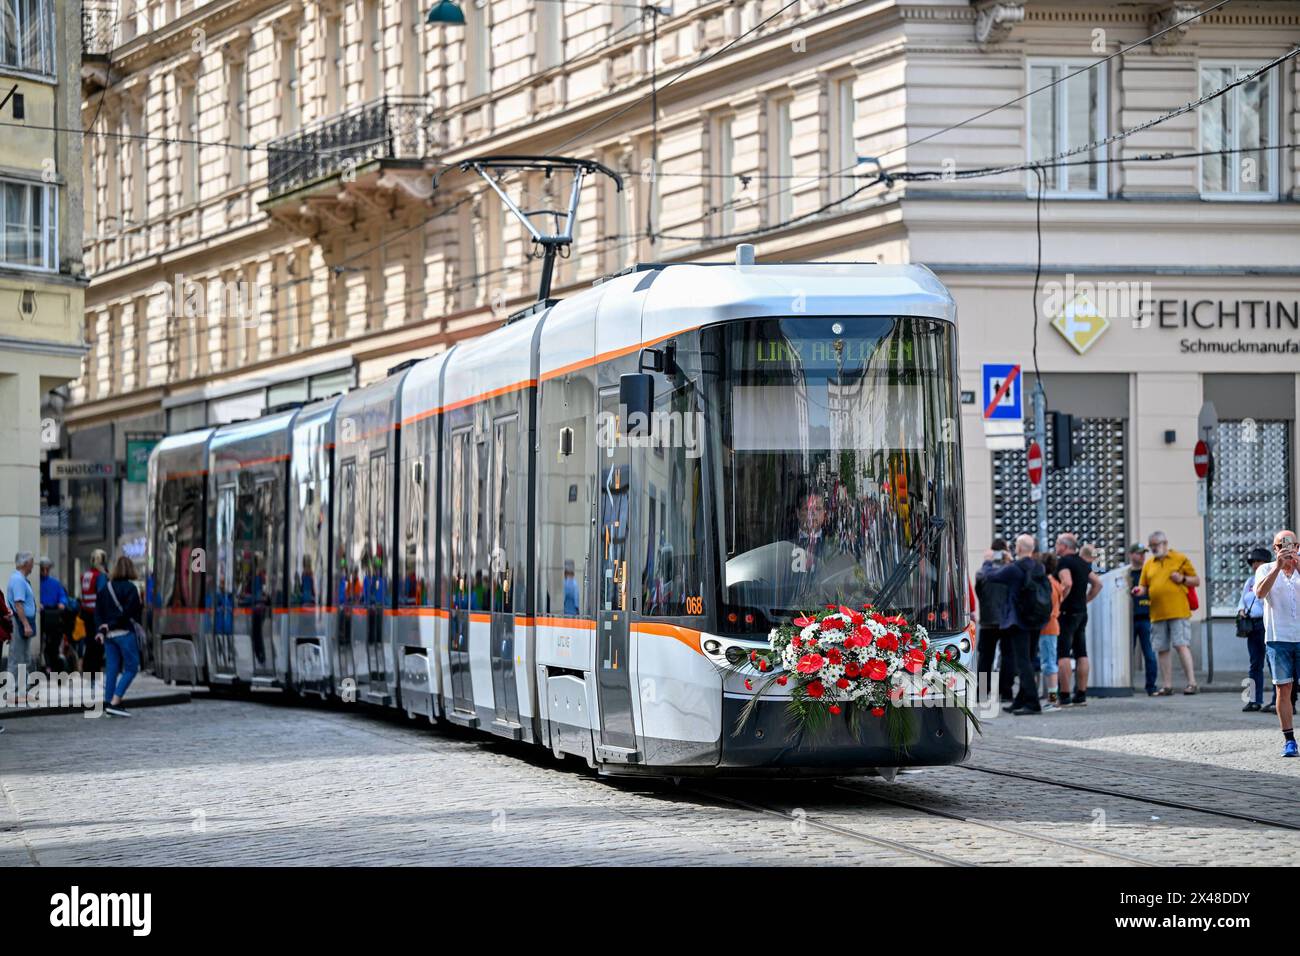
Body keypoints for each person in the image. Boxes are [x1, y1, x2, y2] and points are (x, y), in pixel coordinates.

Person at [979, 533, 1042, 715]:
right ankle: (1019, 699)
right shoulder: (1038, 567)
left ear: (1019, 548)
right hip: (1035, 621)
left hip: (1016, 621)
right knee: (1026, 660)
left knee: (1021, 662)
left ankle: (1032, 702)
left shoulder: (1014, 569)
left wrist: (987, 561)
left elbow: (989, 576)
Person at [1133, 530, 1199, 696]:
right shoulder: (1149, 564)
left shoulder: (1179, 558)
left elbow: (1196, 580)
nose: (1154, 548)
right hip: (1157, 613)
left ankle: (1192, 683)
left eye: (1156, 545)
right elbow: (1145, 586)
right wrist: (1139, 591)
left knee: (1181, 645)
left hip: (1178, 611)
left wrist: (1182, 579)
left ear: (1165, 543)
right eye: (1152, 546)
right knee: (1161, 649)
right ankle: (1167, 685)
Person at [1253, 530, 1300, 757]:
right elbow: (1260, 593)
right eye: (1280, 545)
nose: (1285, 548)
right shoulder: (1265, 568)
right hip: (1278, 637)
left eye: (1290, 544)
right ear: (1275, 549)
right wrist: (1277, 567)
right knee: (1283, 688)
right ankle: (1289, 740)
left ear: (1298, 546)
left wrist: (1297, 566)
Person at [94, 554, 144, 718]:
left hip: (109, 636)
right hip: (124, 633)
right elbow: (131, 612)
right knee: (131, 667)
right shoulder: (130, 588)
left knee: (112, 670)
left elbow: (98, 612)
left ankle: (108, 703)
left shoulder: (104, 589)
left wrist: (102, 630)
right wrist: (113, 624)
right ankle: (116, 701)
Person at [1054, 533, 1101, 706]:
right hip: (1081, 613)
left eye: (1058, 543)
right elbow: (1098, 583)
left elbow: (1067, 583)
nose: (1056, 546)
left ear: (1065, 546)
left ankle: (1064, 696)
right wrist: (1086, 599)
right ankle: (1081, 695)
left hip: (1066, 614)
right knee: (1081, 652)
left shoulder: (1064, 562)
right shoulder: (1083, 562)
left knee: (1063, 653)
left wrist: (1058, 602)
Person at [975, 538, 1014, 704]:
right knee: (1008, 657)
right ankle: (1006, 692)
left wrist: (987, 562)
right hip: (1006, 621)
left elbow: (979, 589)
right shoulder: (1010, 571)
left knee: (985, 658)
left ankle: (983, 692)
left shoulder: (983, 572)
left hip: (987, 621)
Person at [1238, 547, 1270, 712]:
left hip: (1267, 624)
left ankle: (1276, 700)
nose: (1255, 565)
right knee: (1254, 664)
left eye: (1259, 561)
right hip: (1252, 625)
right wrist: (1241, 610)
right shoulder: (1250, 581)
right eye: (1253, 562)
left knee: (1272, 663)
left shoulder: (1271, 578)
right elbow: (1242, 600)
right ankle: (1254, 700)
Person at [5, 552, 37, 703]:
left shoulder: (22, 579)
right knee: (16, 659)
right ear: (25, 563)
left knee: (23, 659)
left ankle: (22, 692)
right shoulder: (18, 580)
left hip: (23, 622)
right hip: (20, 623)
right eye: (31, 562)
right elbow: (18, 604)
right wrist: (25, 624)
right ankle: (12, 693)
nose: (33, 564)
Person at [1127, 543, 1158, 696]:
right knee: (1127, 655)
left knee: (1150, 654)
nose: (1142, 556)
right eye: (1139, 553)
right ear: (1131, 555)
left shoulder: (1149, 571)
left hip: (1147, 617)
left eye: (1143, 553)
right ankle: (1126, 684)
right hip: (1129, 619)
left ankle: (1151, 686)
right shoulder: (1126, 573)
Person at [1038, 552, 1065, 710]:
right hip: (1053, 624)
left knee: (1049, 664)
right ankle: (1052, 698)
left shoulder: (1047, 584)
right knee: (1049, 662)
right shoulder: (1055, 582)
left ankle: (1053, 699)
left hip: (1048, 626)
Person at [38, 556, 71, 675]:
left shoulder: (55, 583)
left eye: (47, 569)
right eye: (43, 569)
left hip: (53, 614)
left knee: (54, 643)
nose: (45, 572)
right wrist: (38, 603)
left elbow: (62, 595)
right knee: (41, 642)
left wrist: (62, 603)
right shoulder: (36, 582)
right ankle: (44, 665)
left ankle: (53, 666)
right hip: (41, 614)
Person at [80, 549, 108, 680]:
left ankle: (87, 672)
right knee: (97, 646)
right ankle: (95, 674)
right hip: (97, 614)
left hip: (86, 613)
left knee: (89, 645)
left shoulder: (86, 575)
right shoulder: (100, 576)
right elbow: (102, 595)